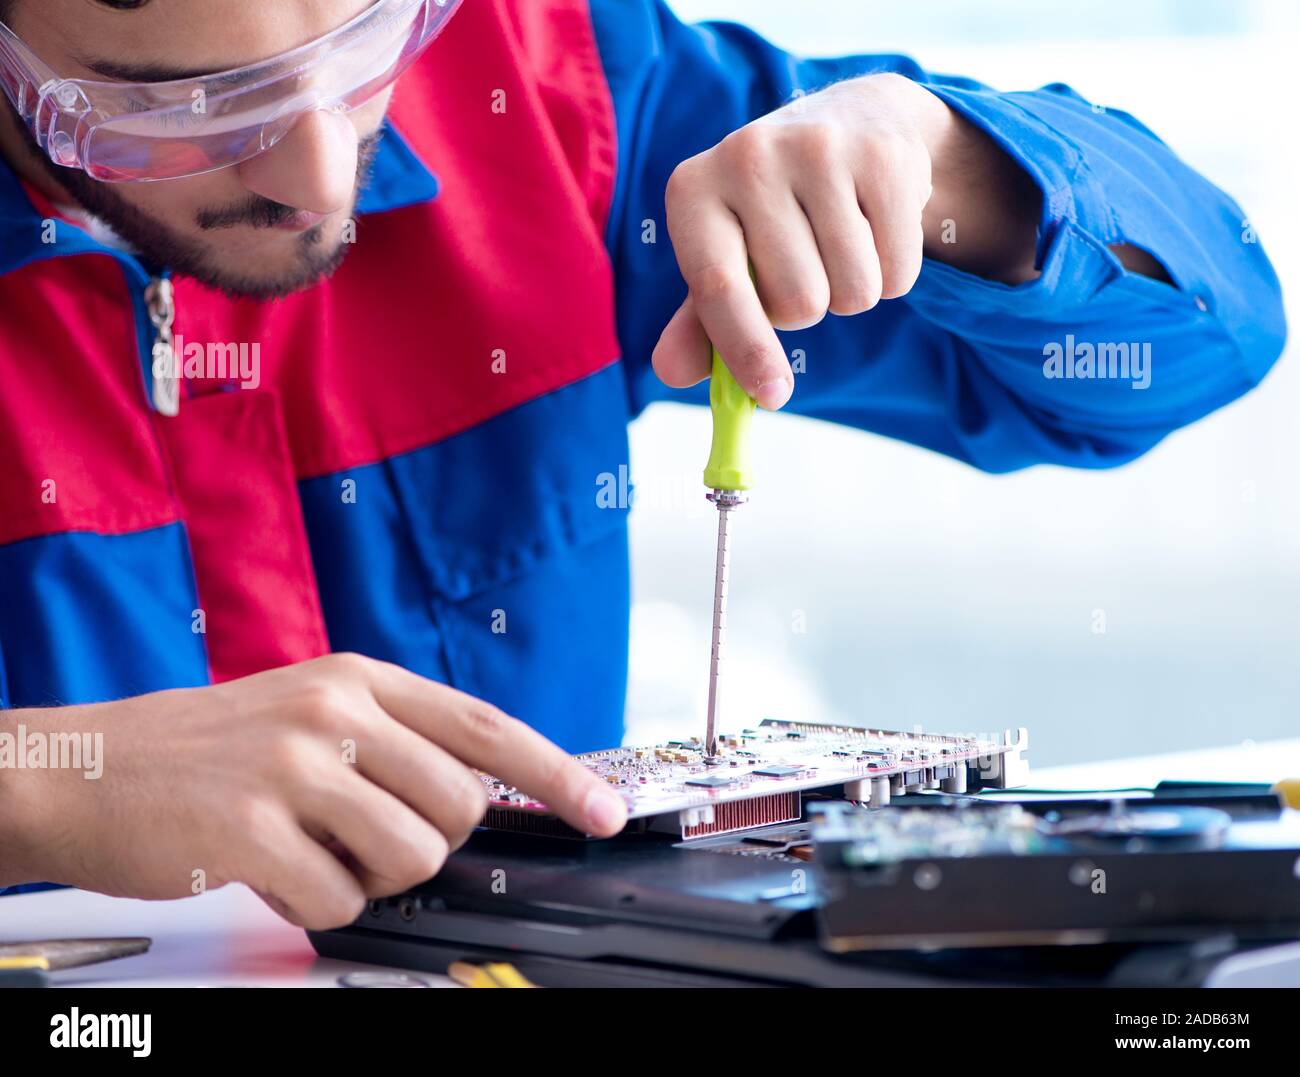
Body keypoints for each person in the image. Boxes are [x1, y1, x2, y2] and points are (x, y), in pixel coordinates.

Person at [0, 0, 1284, 928]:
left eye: (363, 47)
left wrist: (961, 180)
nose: (324, 175)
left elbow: (1194, 349)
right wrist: (41, 785)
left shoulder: (555, 90)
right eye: (189, 109)